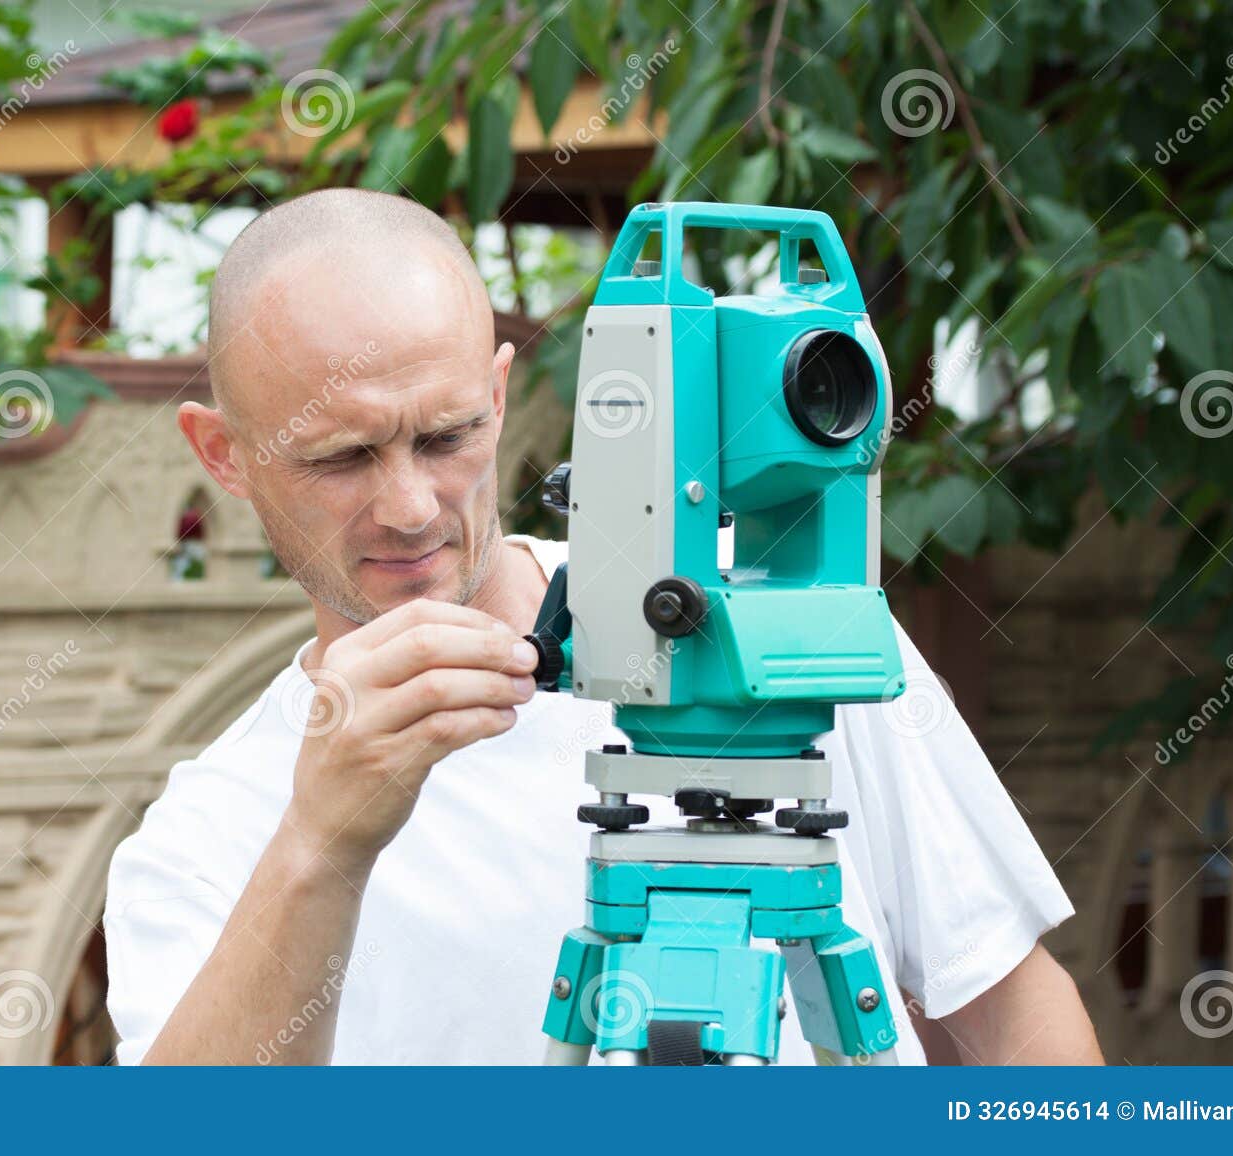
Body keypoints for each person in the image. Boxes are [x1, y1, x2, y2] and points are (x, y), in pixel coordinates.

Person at [104, 188, 1104, 1066]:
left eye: (447, 435)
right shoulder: (210, 838)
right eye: (341, 456)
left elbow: (1013, 1019)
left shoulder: (772, 644)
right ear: (224, 455)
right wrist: (322, 843)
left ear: (497, 395)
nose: (409, 504)